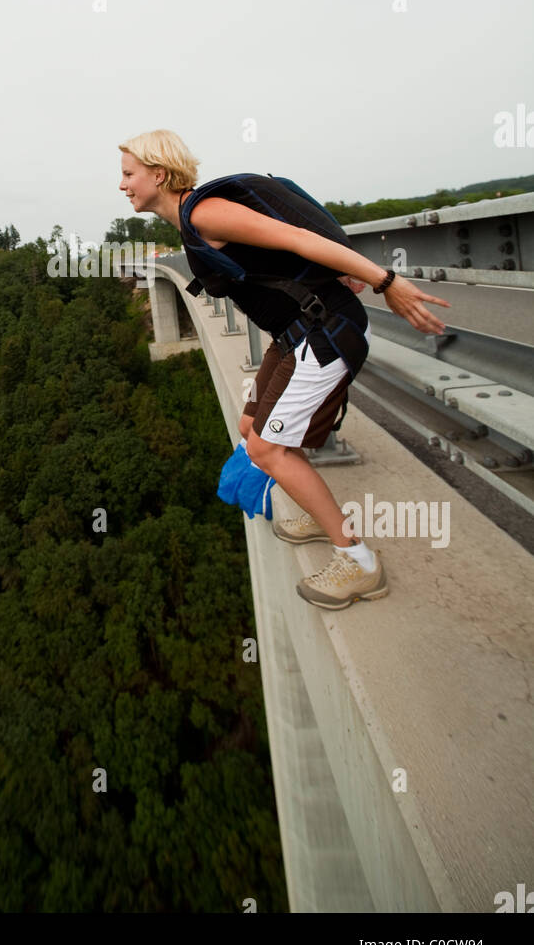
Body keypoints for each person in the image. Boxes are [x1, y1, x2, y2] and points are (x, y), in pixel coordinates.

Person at [118, 129, 451, 611]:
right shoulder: (190, 223)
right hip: (296, 333)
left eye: (129, 174)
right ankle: (319, 514)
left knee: (270, 450)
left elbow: (297, 237)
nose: (123, 185)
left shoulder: (204, 213)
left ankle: (358, 561)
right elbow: (278, 253)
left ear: (159, 174)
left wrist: (386, 281)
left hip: (325, 332)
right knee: (250, 427)